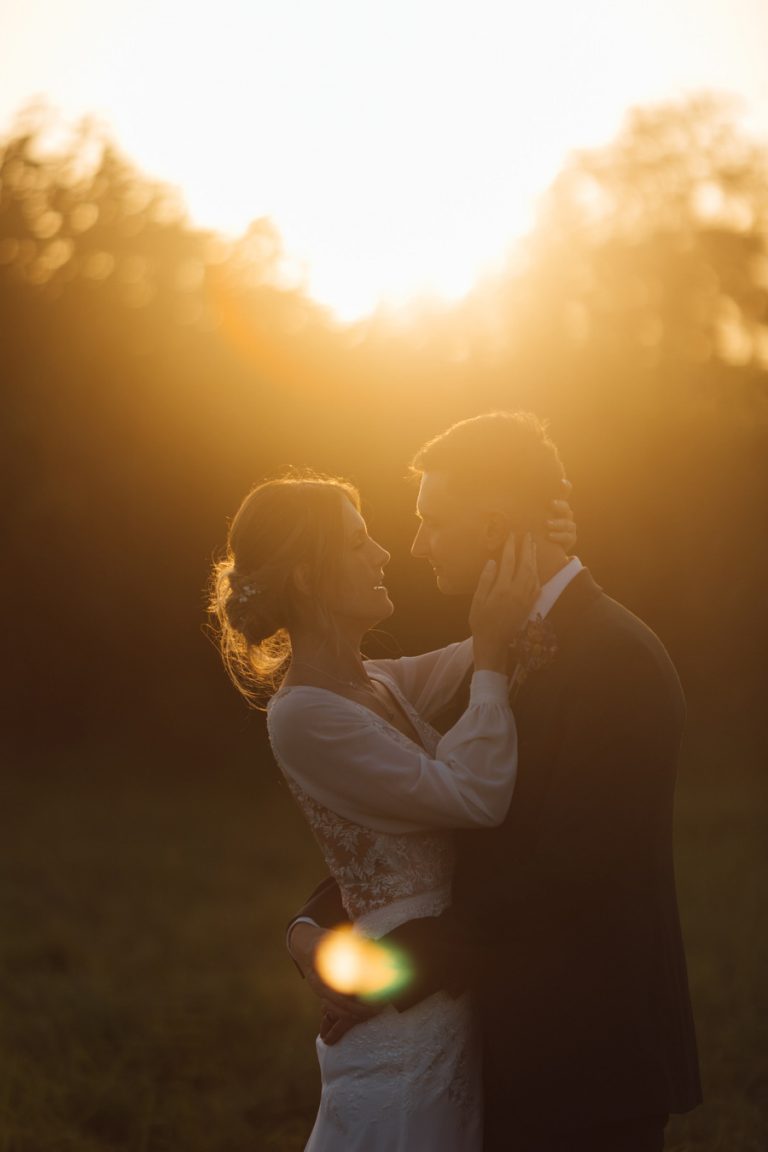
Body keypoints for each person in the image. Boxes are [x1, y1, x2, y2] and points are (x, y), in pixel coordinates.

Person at [288, 412, 702, 1152]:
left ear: (492, 528)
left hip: (587, 1065)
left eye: (431, 521)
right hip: (501, 1051)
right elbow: (420, 828)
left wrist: (386, 969)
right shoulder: (495, 649)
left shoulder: (618, 663)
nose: (415, 545)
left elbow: (563, 874)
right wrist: (321, 927)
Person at [210, 468, 575, 1152]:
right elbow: (475, 794)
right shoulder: (303, 716)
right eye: (358, 542)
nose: (382, 554)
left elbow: (495, 632)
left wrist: (534, 551)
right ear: (311, 579)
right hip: (401, 1028)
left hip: (443, 994)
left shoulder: (376, 681)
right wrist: (494, 652)